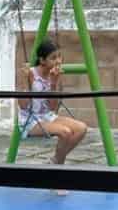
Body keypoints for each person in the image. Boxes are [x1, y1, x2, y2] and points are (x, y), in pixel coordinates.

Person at [20, 38, 86, 168]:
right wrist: (24, 82)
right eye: (53, 58)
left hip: (47, 117)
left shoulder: (55, 74)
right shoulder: (30, 74)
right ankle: (58, 166)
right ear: (42, 60)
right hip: (30, 120)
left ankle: (56, 161)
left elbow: (53, 109)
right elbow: (23, 105)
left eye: (59, 56)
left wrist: (54, 83)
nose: (58, 61)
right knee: (65, 132)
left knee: (81, 128)